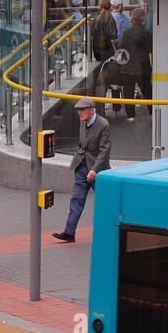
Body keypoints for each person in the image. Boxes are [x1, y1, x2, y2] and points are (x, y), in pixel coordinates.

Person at [53, 98, 112, 242]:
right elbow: (83, 144)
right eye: (78, 110)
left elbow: (104, 151)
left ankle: (112, 230)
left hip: (97, 170)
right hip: (82, 166)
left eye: (82, 110)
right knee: (77, 199)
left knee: (107, 201)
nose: (79, 113)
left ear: (91, 111)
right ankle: (69, 232)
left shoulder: (103, 125)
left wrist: (95, 170)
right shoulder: (83, 121)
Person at [113, 4, 151, 121]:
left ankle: (130, 115)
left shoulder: (127, 32)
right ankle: (152, 112)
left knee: (128, 91)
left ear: (133, 19)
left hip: (128, 67)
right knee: (147, 90)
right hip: (143, 66)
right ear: (143, 19)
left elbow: (121, 47)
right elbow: (150, 48)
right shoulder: (147, 33)